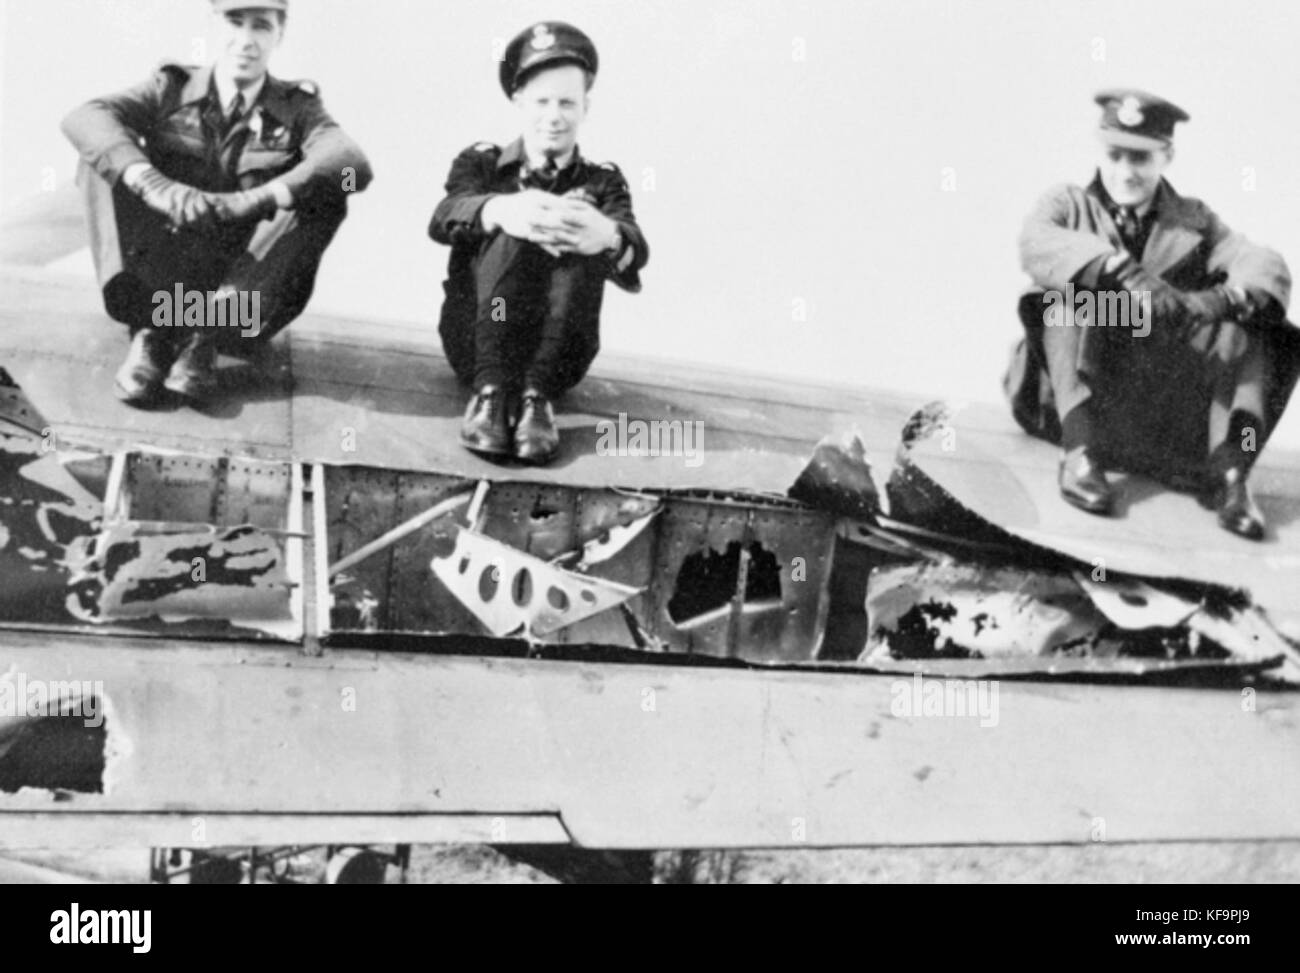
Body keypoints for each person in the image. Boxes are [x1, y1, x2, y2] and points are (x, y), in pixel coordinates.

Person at [1004, 88, 1300, 540]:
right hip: (1080, 401)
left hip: (1155, 414)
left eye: (1141, 159)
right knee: (1061, 302)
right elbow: (1035, 242)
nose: (1126, 172)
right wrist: (1117, 271)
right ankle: (1079, 455)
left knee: (1253, 332)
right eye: (1115, 155)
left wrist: (1213, 302)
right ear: (1099, 149)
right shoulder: (1067, 204)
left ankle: (1230, 474)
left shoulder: (1195, 221)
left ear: (1167, 157)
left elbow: (1263, 263)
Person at [61, 0, 373, 407]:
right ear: (212, 23)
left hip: (239, 296)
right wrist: (155, 185)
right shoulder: (171, 88)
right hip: (161, 279)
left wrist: (256, 198)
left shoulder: (299, 110)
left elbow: (354, 166)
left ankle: (201, 335)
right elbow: (83, 117)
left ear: (281, 33)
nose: (245, 40)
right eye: (234, 21)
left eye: (261, 26)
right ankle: (152, 330)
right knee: (101, 158)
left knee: (331, 189)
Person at [429, 21, 649, 465]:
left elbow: (634, 245)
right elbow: (444, 216)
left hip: (558, 358)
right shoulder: (482, 163)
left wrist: (604, 235)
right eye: (542, 101)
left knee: (583, 230)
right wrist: (503, 210)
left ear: (586, 106)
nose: (554, 115)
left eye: (568, 102)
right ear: (518, 101)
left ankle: (535, 401)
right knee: (515, 221)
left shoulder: (603, 181)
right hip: (476, 344)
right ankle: (490, 395)